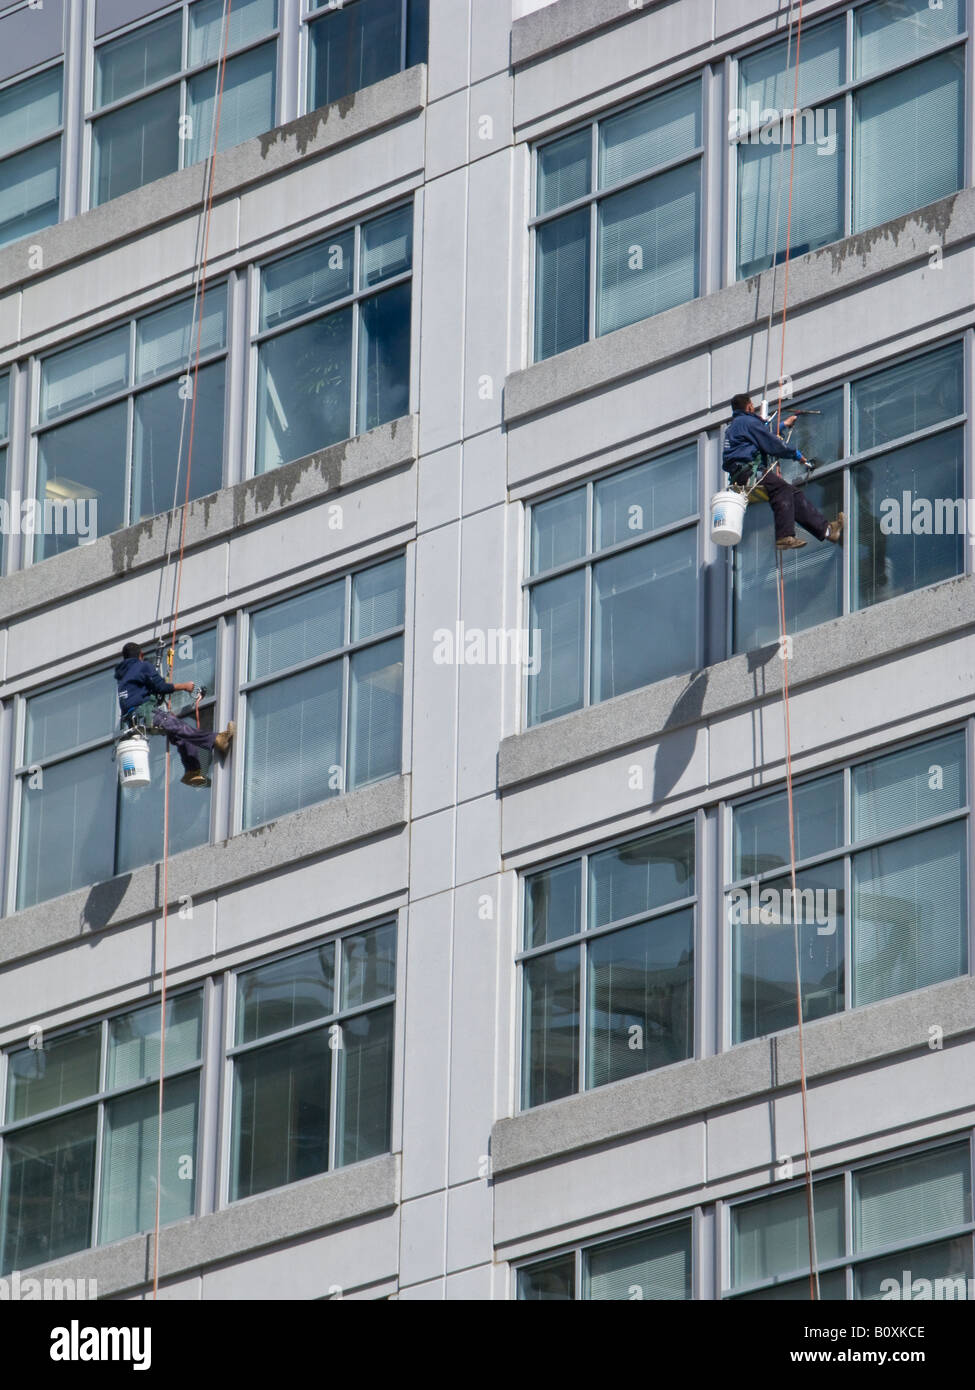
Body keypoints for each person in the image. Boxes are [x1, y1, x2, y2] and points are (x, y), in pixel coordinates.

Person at [723, 394, 844, 551]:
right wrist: (796, 455)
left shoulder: (733, 427)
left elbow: (762, 434)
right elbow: (771, 443)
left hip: (739, 474)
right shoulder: (748, 422)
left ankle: (827, 531)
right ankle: (784, 536)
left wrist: (783, 425)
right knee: (782, 489)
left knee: (794, 494)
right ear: (750, 406)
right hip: (749, 472)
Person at [115, 642, 234, 788]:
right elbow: (161, 687)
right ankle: (218, 739)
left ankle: (192, 770)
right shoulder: (142, 666)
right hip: (146, 714)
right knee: (181, 728)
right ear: (141, 655)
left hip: (136, 722)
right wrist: (184, 686)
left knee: (179, 735)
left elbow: (141, 693)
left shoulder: (123, 675)